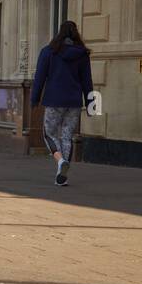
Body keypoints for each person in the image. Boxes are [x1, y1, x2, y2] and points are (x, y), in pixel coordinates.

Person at [31, 20, 94, 187]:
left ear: (59, 33)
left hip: (54, 101)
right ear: (76, 34)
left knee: (49, 133)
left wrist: (34, 99)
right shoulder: (82, 54)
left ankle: (59, 161)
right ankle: (62, 174)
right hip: (73, 102)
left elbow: (39, 78)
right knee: (67, 136)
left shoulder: (48, 52)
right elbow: (87, 81)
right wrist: (91, 104)